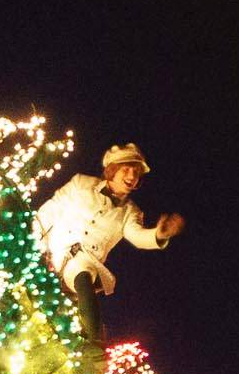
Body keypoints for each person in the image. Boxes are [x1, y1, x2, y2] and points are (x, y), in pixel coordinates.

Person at [34, 142, 186, 344]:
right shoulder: (81, 183)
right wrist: (35, 243)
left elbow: (137, 235)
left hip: (85, 261)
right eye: (127, 170)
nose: (132, 176)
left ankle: (95, 343)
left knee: (82, 274)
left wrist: (160, 234)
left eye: (137, 172)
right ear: (112, 170)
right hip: (54, 248)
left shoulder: (131, 211)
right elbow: (50, 210)